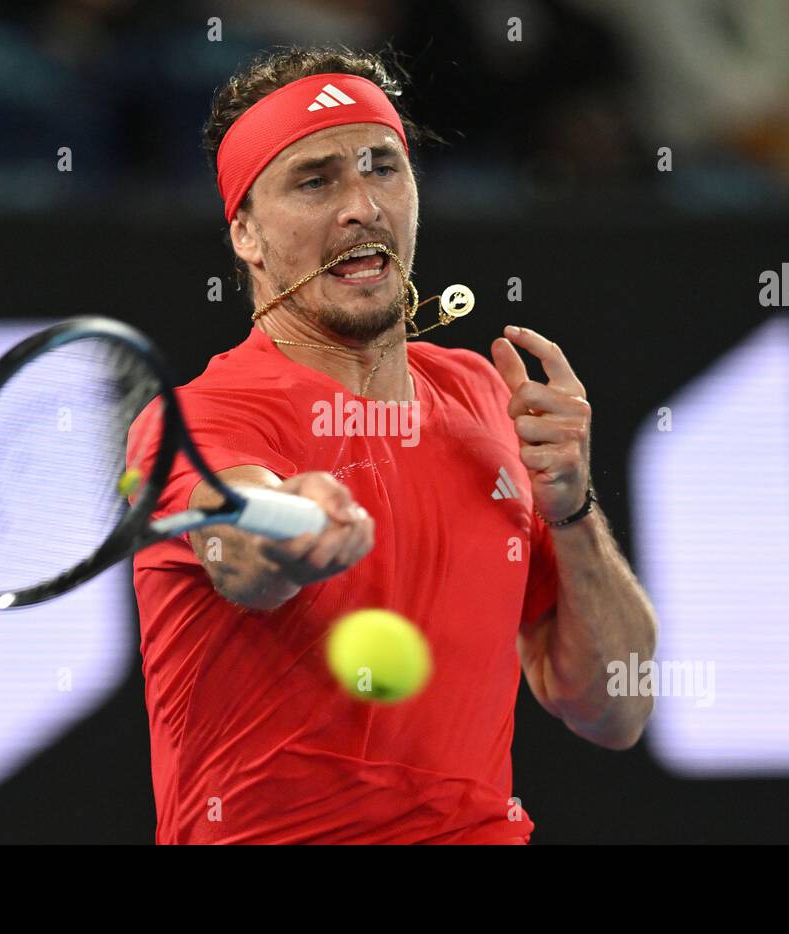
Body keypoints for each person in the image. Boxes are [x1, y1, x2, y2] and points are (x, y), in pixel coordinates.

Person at [127, 46, 657, 844]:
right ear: (245, 232)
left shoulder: (486, 395)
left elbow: (614, 710)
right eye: (316, 180)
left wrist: (574, 509)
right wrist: (292, 521)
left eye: (383, 166)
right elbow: (235, 538)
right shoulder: (200, 419)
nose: (363, 206)